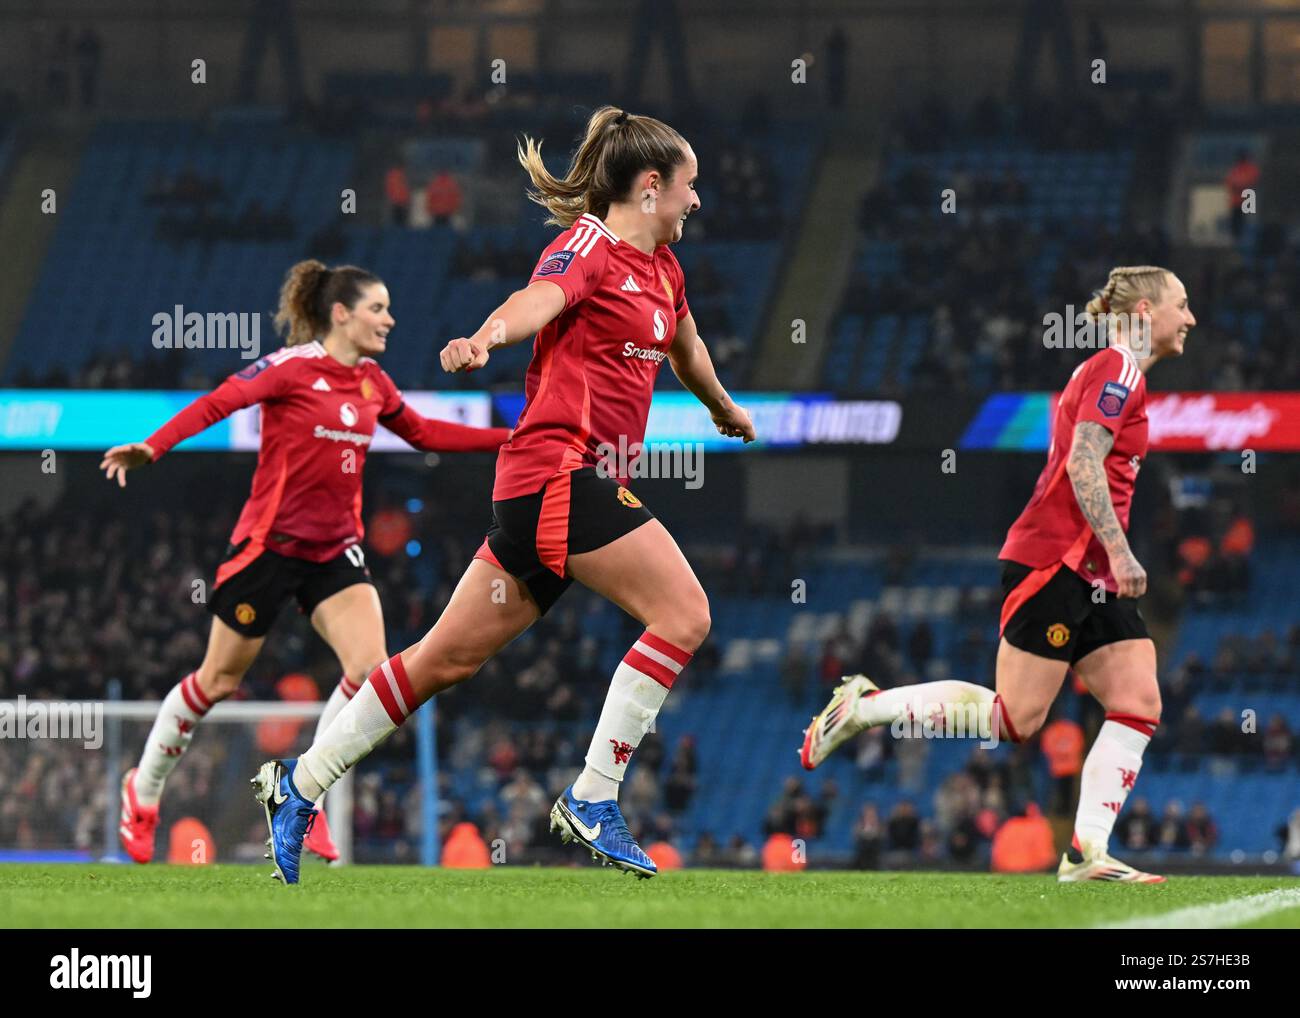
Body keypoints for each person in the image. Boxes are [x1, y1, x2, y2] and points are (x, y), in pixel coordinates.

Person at [252, 106, 755, 884]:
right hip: (560, 472)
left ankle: (300, 783)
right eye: (690, 187)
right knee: (686, 615)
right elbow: (537, 300)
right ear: (651, 187)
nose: (698, 202)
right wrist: (488, 337)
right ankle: (593, 797)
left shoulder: (664, 270)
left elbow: (686, 351)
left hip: (547, 492)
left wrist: (723, 409)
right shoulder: (587, 246)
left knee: (441, 661)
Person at [104, 261, 509, 865]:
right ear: (340, 314)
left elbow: (424, 434)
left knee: (370, 668)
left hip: (334, 551)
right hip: (269, 547)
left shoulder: (373, 381)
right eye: (378, 308)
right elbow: (219, 403)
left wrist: (513, 439)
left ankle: (303, 798)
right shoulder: (289, 368)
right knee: (217, 681)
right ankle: (145, 788)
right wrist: (153, 447)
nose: (390, 319)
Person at [803, 265, 1196, 883]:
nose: (1191, 318)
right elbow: (1083, 460)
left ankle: (1086, 854)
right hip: (1059, 558)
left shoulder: (1119, 375)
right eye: (1181, 304)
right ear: (1146, 311)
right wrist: (1121, 551)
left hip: (1088, 566)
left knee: (1139, 699)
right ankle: (867, 707)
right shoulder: (1116, 369)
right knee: (1017, 720)